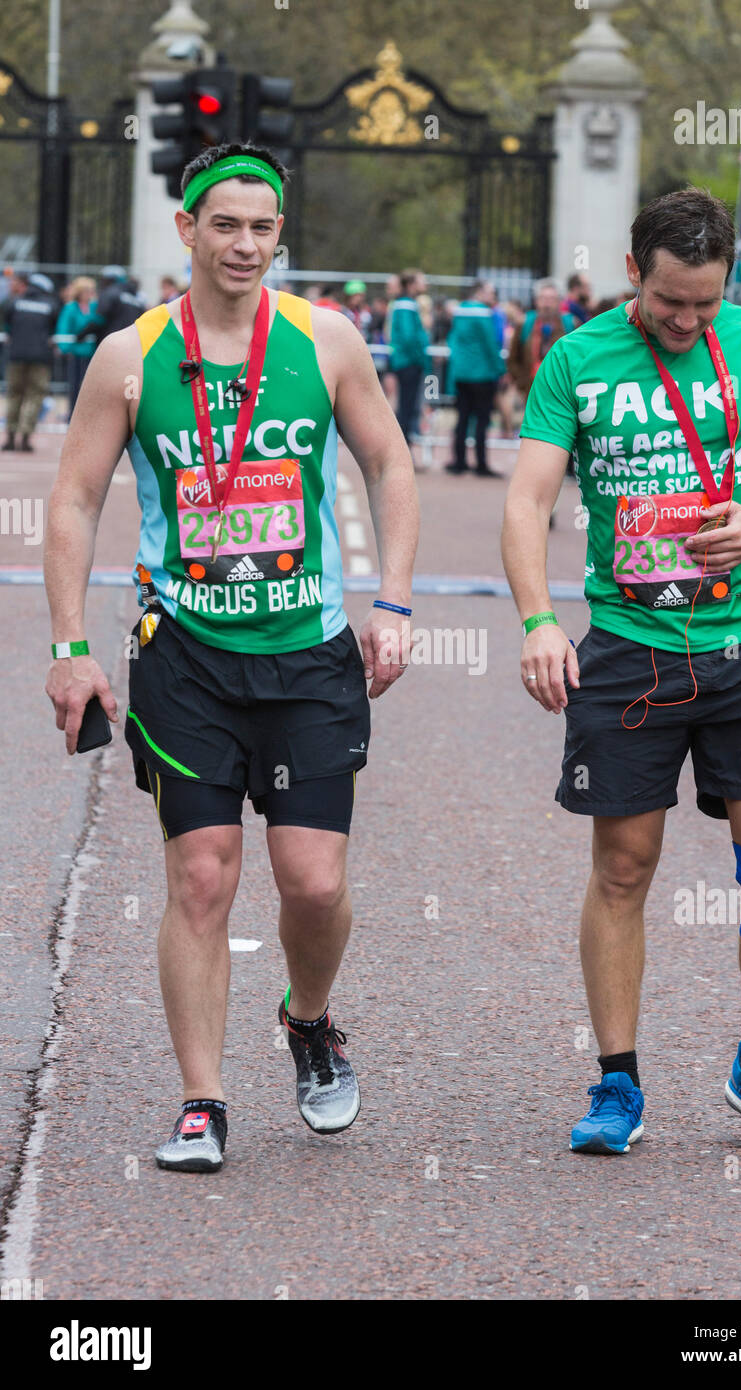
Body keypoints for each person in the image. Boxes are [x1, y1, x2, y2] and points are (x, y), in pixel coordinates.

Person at [44, 141, 419, 1173]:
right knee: (202, 876)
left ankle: (307, 1018)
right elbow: (74, 499)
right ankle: (202, 1100)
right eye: (225, 224)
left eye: (262, 227)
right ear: (187, 230)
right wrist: (71, 646)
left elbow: (387, 462)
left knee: (310, 880)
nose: (245, 244)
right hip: (187, 655)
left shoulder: (326, 339)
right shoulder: (129, 356)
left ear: (279, 237)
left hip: (306, 654)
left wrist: (390, 599)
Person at [502, 187, 741, 1157]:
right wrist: (536, 623)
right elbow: (525, 500)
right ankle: (616, 1081)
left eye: (704, 304)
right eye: (669, 301)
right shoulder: (576, 358)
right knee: (622, 867)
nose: (687, 322)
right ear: (634, 271)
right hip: (630, 647)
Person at [445, 280, 504, 477]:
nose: (493, 296)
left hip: (461, 372)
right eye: (490, 292)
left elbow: (453, 339)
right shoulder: (484, 313)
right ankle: (481, 464)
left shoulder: (460, 310)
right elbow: (490, 344)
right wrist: (500, 369)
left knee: (462, 418)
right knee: (482, 420)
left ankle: (459, 461)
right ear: (480, 292)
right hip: (482, 374)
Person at [1, 271, 57, 452]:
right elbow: (53, 328)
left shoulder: (15, 302)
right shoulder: (50, 304)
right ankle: (25, 437)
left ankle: (10, 437)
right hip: (40, 358)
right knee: (35, 396)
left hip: (16, 355)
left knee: (14, 395)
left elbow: (7, 322)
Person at [506, 278, 574, 400]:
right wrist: (522, 383)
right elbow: (513, 359)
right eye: (542, 299)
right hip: (532, 390)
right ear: (536, 301)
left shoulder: (571, 324)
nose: (546, 304)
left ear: (559, 302)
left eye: (551, 299)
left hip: (560, 392)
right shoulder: (524, 323)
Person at [388, 268, 429, 445]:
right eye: (422, 280)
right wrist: (420, 356)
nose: (425, 284)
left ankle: (404, 445)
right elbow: (408, 337)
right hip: (409, 362)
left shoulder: (406, 304)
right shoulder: (406, 305)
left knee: (407, 405)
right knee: (407, 406)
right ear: (411, 284)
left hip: (407, 360)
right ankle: (403, 447)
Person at [75, 265, 147, 347]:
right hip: (134, 344)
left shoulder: (109, 294)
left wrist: (80, 335)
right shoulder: (136, 297)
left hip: (112, 344)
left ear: (109, 280)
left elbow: (98, 319)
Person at [56, 276, 97, 420]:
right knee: (74, 385)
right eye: (86, 290)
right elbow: (63, 327)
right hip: (76, 352)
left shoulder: (94, 306)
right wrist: (64, 347)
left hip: (92, 352)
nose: (89, 293)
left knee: (91, 386)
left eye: (91, 290)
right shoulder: (70, 307)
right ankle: (72, 415)